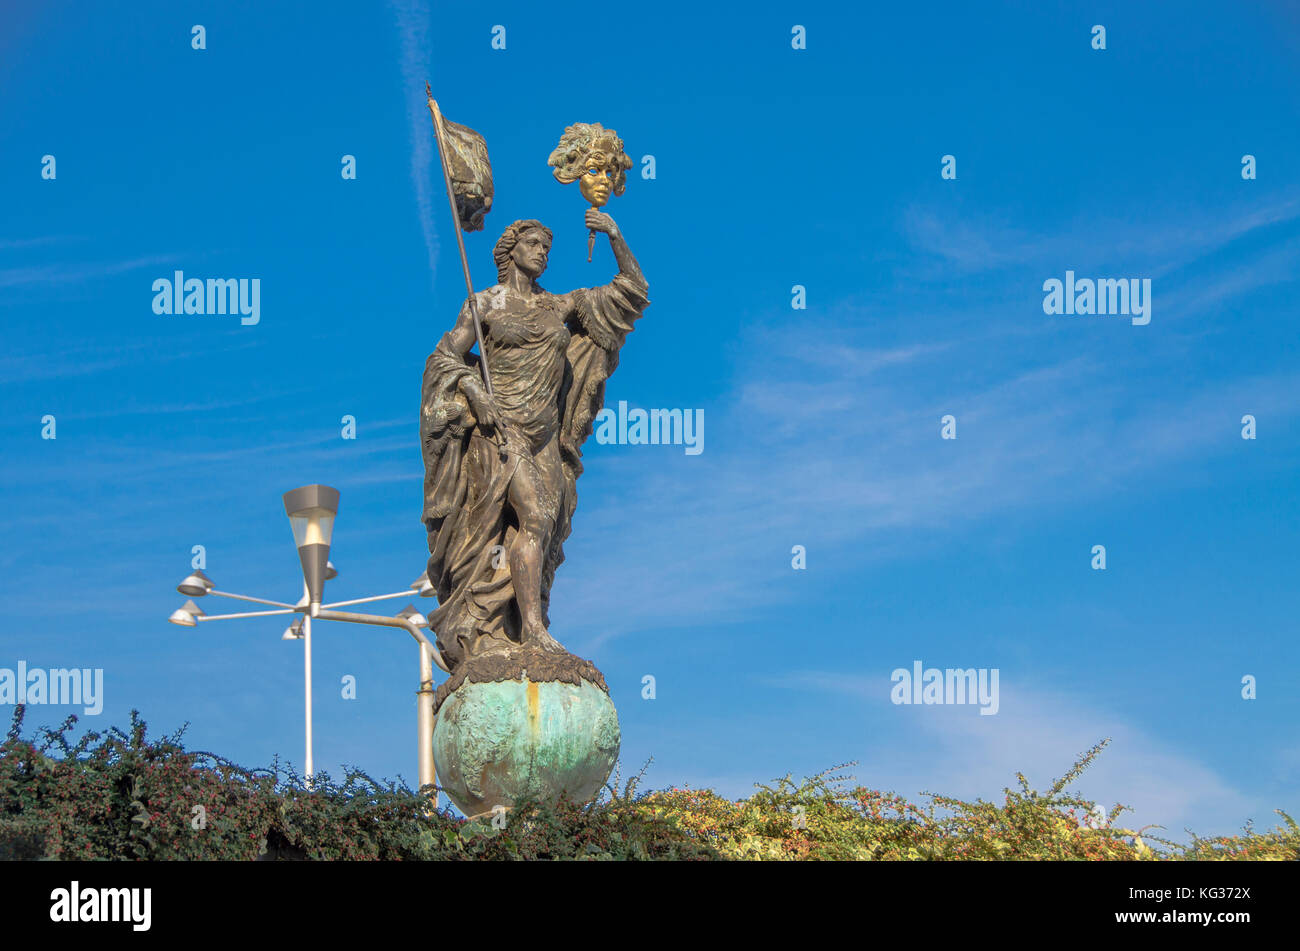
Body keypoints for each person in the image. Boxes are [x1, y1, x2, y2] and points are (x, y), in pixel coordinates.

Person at [420, 211, 648, 671]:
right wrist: (473, 390)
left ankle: (524, 627)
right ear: (510, 252)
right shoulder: (484, 303)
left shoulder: (560, 306)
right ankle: (533, 633)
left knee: (547, 533)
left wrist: (614, 234)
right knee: (536, 518)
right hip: (498, 431)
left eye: (547, 246)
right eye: (534, 244)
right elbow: (443, 359)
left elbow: (633, 291)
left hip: (545, 435)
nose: (542, 252)